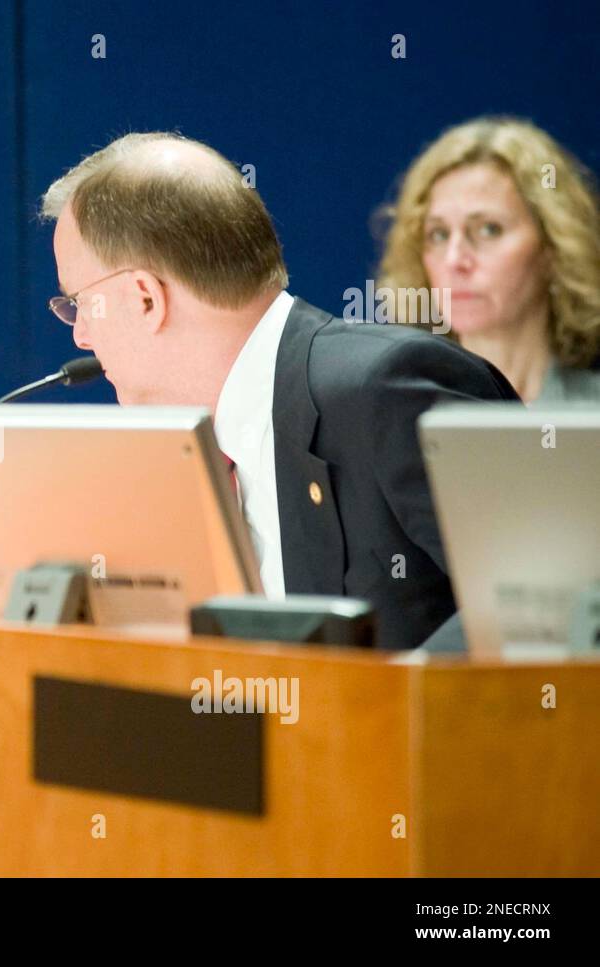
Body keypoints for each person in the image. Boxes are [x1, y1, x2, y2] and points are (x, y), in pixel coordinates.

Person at [41, 131, 517, 650]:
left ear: (144, 298)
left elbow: (542, 605)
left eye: (78, 304)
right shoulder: (175, 459)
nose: (81, 335)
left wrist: (389, 713)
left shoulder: (386, 388)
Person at [376, 116, 600, 403]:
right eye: (439, 234)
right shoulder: (392, 412)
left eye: (488, 229)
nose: (455, 259)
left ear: (552, 248)